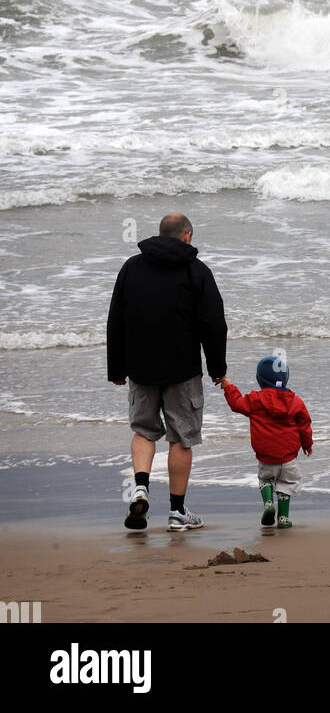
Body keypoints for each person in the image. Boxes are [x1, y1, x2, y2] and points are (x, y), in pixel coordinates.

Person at [107, 212, 227, 533]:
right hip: (182, 370)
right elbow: (213, 324)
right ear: (187, 236)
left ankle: (142, 488)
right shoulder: (196, 271)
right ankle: (177, 512)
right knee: (181, 438)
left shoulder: (132, 268)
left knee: (144, 431)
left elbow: (116, 319)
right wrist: (218, 368)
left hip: (141, 368)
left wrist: (117, 367)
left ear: (160, 234)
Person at [220, 357, 313, 531]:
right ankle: (283, 518)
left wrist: (228, 386)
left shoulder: (255, 400)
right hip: (288, 457)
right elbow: (305, 425)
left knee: (265, 479)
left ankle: (269, 503)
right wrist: (307, 444)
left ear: (260, 380)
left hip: (266, 456)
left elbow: (236, 403)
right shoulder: (296, 402)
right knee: (287, 484)